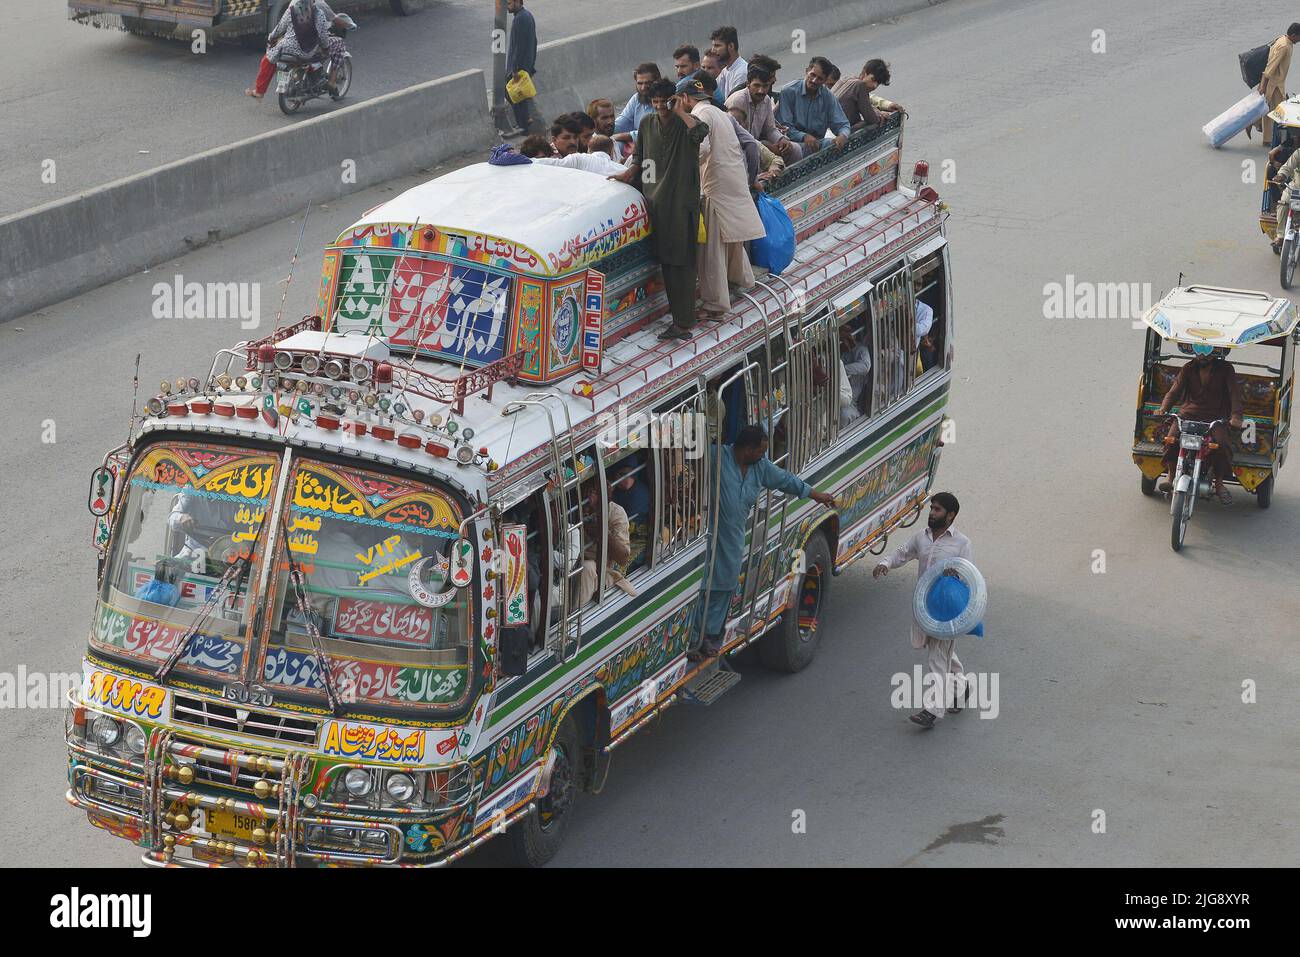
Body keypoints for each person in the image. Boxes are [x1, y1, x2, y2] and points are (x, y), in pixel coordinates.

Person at [696, 425, 835, 660]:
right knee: (704, 587)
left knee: (727, 584)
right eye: (760, 451)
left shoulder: (759, 468)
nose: (763, 455)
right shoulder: (716, 456)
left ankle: (709, 635)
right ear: (747, 450)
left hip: (733, 538)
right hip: (711, 537)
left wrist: (815, 494)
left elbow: (786, 480)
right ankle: (695, 637)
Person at [609, 78, 709, 340]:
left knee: (682, 265)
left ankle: (683, 321)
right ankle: (680, 317)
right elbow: (640, 158)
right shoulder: (646, 124)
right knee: (667, 264)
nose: (660, 108)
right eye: (655, 104)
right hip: (656, 203)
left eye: (665, 102)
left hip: (681, 205)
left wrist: (679, 112)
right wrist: (628, 173)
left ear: (674, 100)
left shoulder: (684, 124)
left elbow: (701, 133)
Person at [872, 492, 972, 729]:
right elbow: (902, 553)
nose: (932, 513)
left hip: (947, 613)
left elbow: (969, 578)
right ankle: (961, 685)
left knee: (937, 659)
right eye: (932, 509)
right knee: (942, 654)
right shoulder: (922, 537)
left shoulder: (962, 544)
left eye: (937, 510)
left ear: (951, 515)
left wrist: (955, 575)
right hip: (924, 609)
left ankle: (932, 711)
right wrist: (885, 563)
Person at [681, 72, 766, 320]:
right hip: (733, 182)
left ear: (685, 98)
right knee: (731, 238)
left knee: (712, 249)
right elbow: (749, 145)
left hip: (714, 186)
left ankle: (715, 304)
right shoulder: (720, 113)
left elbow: (702, 148)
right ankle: (742, 278)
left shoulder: (698, 115)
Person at [1156, 347, 1245, 504]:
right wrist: (1163, 408)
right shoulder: (1188, 368)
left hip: (1215, 418)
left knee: (1222, 445)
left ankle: (1219, 483)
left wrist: (1236, 416)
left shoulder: (1226, 369)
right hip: (1188, 414)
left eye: (1207, 350)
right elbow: (1174, 391)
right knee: (1171, 439)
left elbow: (1234, 394)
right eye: (1199, 349)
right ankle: (1170, 476)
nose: (1203, 354)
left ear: (1215, 350)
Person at [246, 0, 345, 99]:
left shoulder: (291, 10)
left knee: (268, 58)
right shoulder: (318, 13)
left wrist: (271, 38)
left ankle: (259, 91)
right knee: (338, 42)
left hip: (286, 48)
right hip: (307, 51)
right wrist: (326, 49)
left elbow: (280, 28)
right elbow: (323, 37)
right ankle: (332, 82)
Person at [776, 56, 851, 155]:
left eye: (819, 78)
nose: (814, 80)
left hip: (817, 145)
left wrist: (843, 136)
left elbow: (842, 124)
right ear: (807, 71)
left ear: (825, 81)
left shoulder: (827, 96)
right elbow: (785, 127)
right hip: (792, 145)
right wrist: (804, 136)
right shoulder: (788, 91)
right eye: (812, 75)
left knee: (835, 145)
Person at [727, 64, 801, 163]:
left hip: (757, 146)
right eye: (756, 85)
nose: (761, 91)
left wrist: (781, 140)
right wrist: (766, 147)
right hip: (738, 150)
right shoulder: (737, 101)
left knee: (794, 149)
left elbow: (770, 129)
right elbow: (739, 138)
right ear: (748, 84)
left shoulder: (765, 100)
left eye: (765, 86)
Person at [578, 479, 636, 603]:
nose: (588, 497)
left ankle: (577, 616)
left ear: (605, 496)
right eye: (586, 491)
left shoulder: (615, 512)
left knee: (587, 568)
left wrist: (601, 533)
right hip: (569, 565)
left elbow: (623, 558)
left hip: (601, 570)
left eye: (593, 492)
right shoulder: (575, 509)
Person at [1255, 24, 1300, 146]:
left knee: (1271, 111)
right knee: (1277, 112)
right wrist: (1263, 85)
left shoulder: (1282, 39)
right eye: (1299, 37)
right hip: (1274, 85)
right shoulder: (1284, 46)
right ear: (1294, 35)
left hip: (1277, 83)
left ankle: (1266, 136)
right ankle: (1260, 130)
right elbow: (1271, 66)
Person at [504, 0, 540, 134]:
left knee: (510, 91)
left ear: (518, 2)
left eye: (509, 4)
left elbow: (518, 47)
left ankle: (523, 123)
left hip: (519, 67)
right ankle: (526, 120)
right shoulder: (527, 15)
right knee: (520, 94)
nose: (507, 7)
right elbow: (534, 41)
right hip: (526, 64)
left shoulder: (519, 19)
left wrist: (514, 69)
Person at [832, 58, 890, 130]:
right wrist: (881, 115)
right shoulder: (859, 85)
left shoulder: (846, 79)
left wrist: (878, 112)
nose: (874, 86)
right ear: (864, 73)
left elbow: (867, 105)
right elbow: (871, 118)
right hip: (838, 133)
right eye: (873, 80)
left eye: (878, 83)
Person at [532, 134, 626, 175]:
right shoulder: (623, 171)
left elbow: (554, 163)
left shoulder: (579, 159)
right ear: (612, 151)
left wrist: (529, 160)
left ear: (589, 149)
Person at [614, 63, 662, 138]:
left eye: (648, 83)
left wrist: (621, 136)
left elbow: (653, 132)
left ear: (657, 81)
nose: (643, 88)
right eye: (640, 83)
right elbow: (622, 122)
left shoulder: (665, 101)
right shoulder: (636, 98)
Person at [839, 324, 871, 424]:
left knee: (845, 414)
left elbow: (865, 366)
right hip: (831, 402)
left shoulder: (860, 349)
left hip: (851, 402)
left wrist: (842, 370)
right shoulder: (837, 352)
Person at [709, 25, 749, 99]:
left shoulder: (742, 72)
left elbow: (733, 104)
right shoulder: (726, 71)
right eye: (713, 46)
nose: (713, 50)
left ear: (731, 46)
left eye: (717, 46)